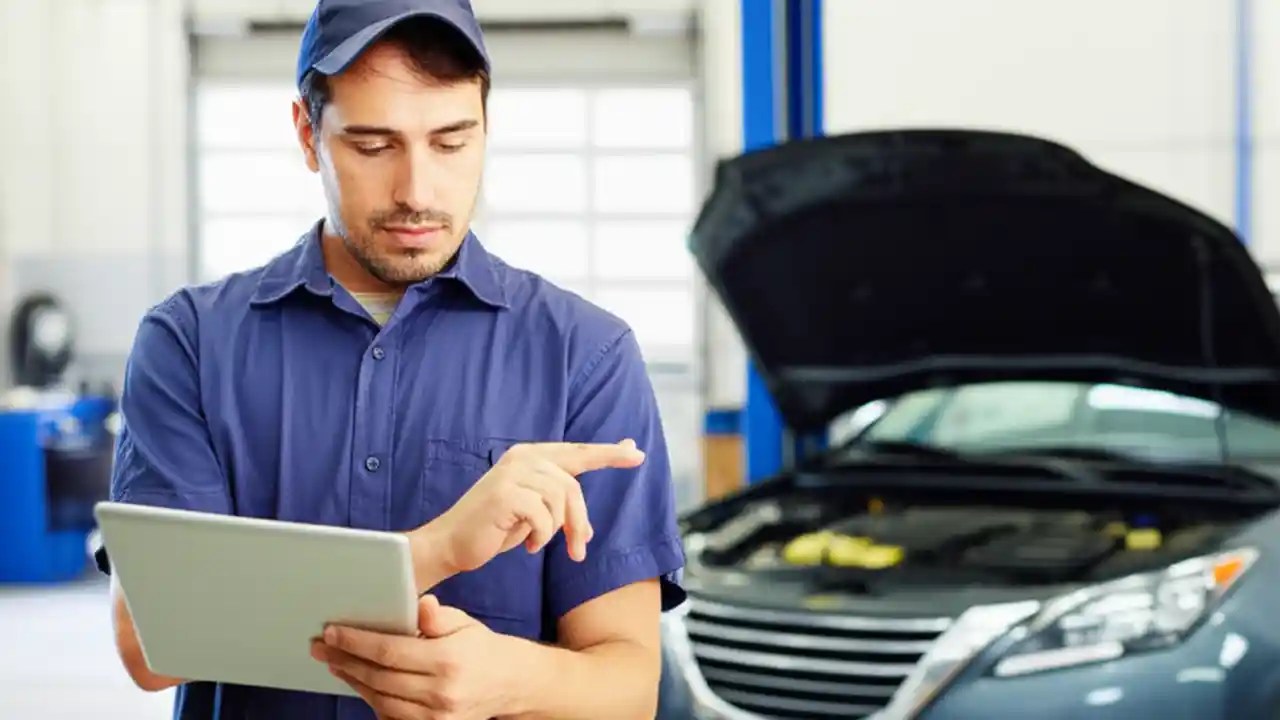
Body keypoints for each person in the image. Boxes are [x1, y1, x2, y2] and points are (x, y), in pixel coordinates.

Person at [97, 0, 687, 717]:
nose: (417, 191)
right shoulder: (188, 342)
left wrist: (507, 678)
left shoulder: (585, 356)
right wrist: (438, 548)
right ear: (307, 135)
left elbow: (628, 687)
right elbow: (149, 646)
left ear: (486, 129)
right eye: (374, 146)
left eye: (450, 143)